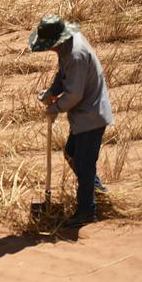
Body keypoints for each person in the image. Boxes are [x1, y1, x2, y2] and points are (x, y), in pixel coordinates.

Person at [30, 15, 114, 228]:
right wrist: (52, 92)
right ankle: (98, 192)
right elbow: (63, 74)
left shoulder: (76, 54)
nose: (49, 50)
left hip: (91, 116)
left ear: (58, 40)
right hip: (83, 116)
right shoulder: (66, 47)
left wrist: (55, 108)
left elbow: (74, 94)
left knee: (84, 165)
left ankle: (87, 211)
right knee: (71, 153)